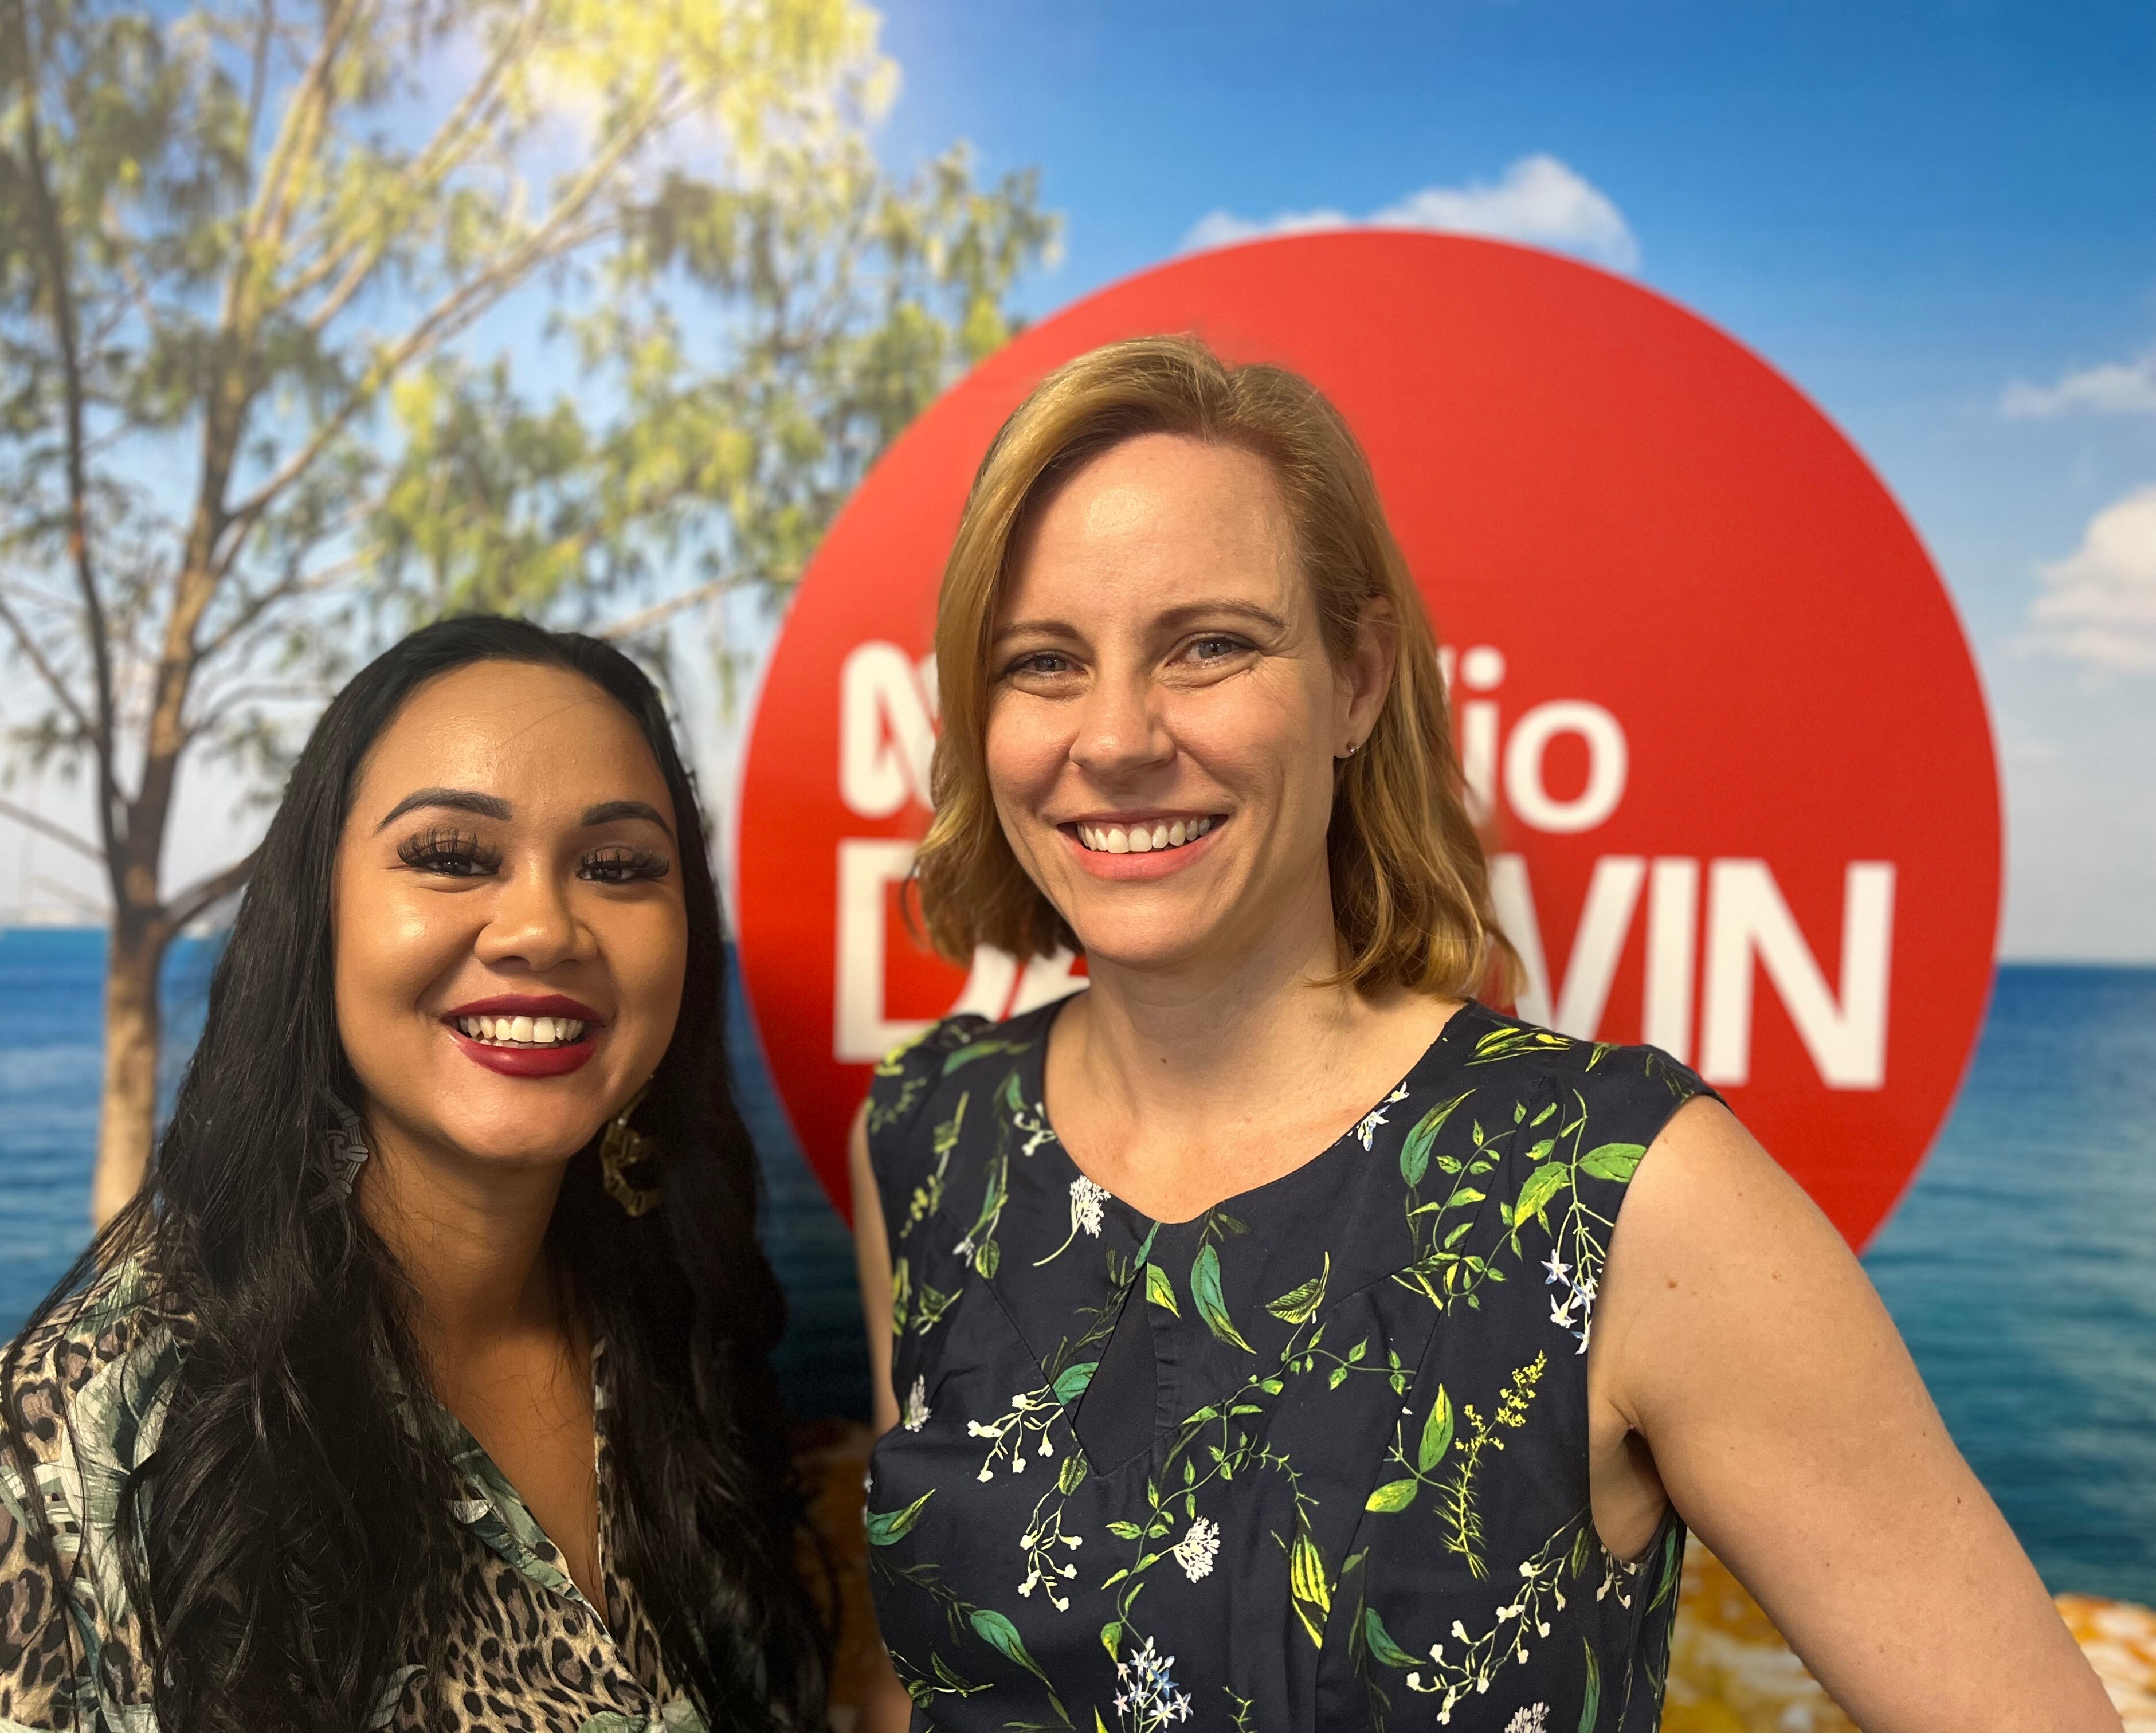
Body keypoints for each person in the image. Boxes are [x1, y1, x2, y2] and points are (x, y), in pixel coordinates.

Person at [847, 336, 2114, 1733]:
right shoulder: (930, 1132)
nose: (1120, 734)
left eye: (1210, 646)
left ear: (1359, 679)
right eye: (1043, 662)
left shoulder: (1618, 1190)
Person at [0, 618, 826, 1732]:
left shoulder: (675, 1350)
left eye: (618, 867)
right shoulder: (28, 1483)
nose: (545, 926)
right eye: (453, 856)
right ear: (319, 919)